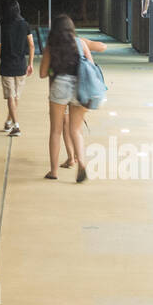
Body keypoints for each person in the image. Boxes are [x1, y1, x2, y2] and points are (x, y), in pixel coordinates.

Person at [39, 14, 107, 182]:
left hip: (60, 85)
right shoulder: (81, 43)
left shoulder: (51, 46)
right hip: (80, 86)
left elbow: (42, 73)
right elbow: (90, 65)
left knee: (55, 130)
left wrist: (54, 70)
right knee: (76, 130)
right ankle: (82, 164)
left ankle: (54, 171)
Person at [0, 0, 34, 136]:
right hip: (21, 66)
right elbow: (32, 45)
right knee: (15, 97)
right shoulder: (25, 24)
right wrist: (30, 64)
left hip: (7, 67)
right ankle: (9, 122)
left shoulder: (0, 25)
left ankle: (16, 126)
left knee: (11, 97)